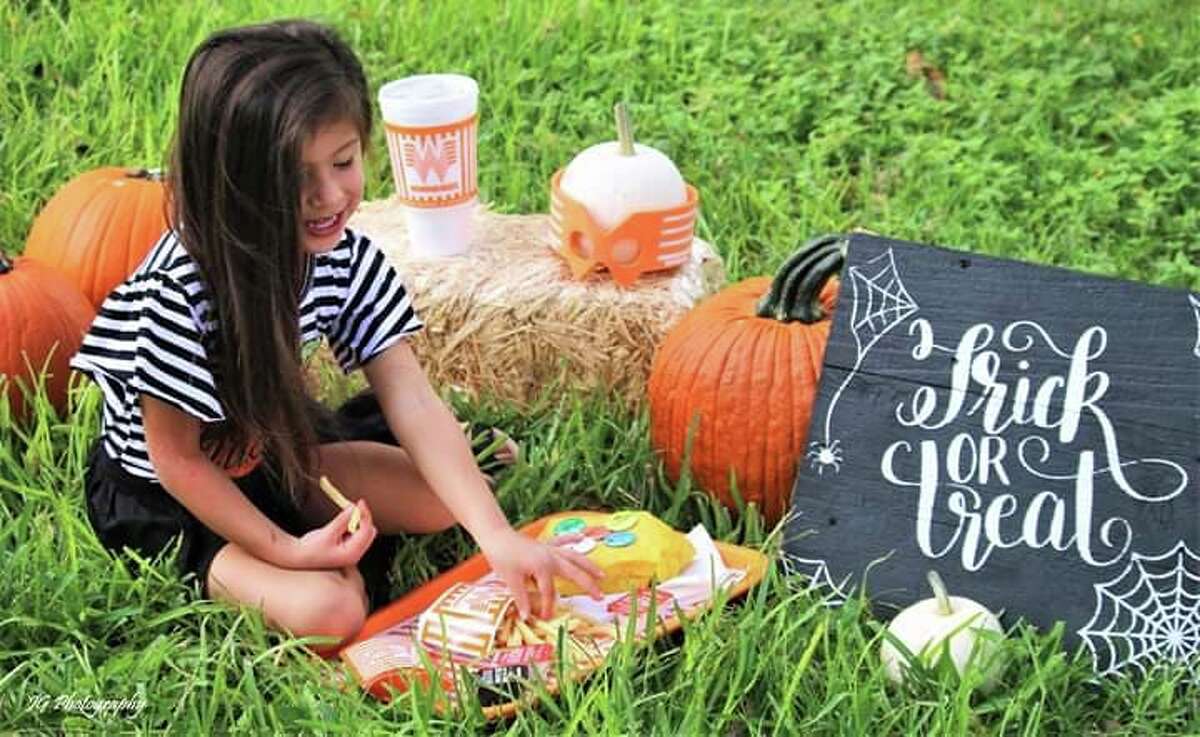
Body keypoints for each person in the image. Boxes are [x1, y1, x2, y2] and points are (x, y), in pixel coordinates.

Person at [70, 19, 603, 648]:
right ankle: (274, 551)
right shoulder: (177, 293)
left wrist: (498, 539)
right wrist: (287, 551)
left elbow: (410, 393)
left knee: (451, 502)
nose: (327, 196)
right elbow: (179, 461)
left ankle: (331, 475)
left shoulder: (344, 258)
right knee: (332, 613)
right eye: (295, 177)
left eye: (344, 162)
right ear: (234, 179)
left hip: (273, 452)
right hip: (175, 498)